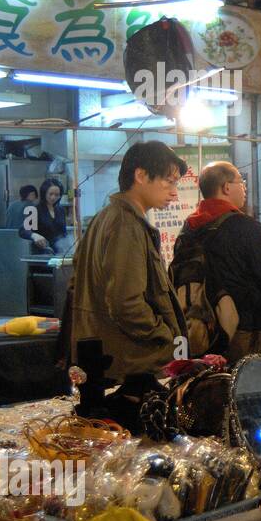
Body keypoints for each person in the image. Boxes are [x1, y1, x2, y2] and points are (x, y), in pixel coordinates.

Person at [71, 141, 188, 384]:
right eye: (169, 181)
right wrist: (164, 333)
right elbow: (126, 303)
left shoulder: (104, 217)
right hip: (129, 364)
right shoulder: (126, 224)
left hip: (108, 358)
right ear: (141, 175)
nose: (174, 192)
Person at [172, 162, 261, 362]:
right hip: (246, 334)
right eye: (241, 182)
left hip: (201, 333)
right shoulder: (245, 227)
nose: (245, 188)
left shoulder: (188, 229)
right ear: (226, 187)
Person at [19, 178, 71, 253]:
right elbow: (23, 230)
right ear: (44, 193)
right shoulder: (35, 210)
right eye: (50, 194)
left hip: (58, 253)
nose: (53, 197)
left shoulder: (60, 210)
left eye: (57, 195)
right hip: (41, 253)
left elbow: (63, 233)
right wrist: (34, 235)